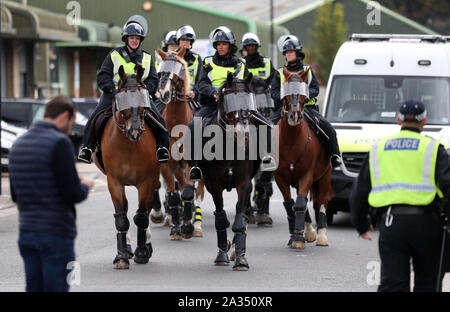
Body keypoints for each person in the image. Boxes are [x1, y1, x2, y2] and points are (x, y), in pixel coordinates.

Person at [350, 100, 450, 292]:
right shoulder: (433, 148)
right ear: (424, 122)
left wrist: (361, 224)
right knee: (428, 283)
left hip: (391, 224)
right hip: (428, 225)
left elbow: (359, 191)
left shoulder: (379, 148)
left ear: (398, 120)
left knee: (393, 284)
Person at [9, 96, 94, 292]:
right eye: (72, 122)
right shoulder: (59, 143)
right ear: (65, 116)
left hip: (27, 234)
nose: (71, 129)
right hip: (55, 234)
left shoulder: (18, 144)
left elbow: (16, 195)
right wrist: (86, 185)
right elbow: (72, 193)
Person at [78, 15, 170, 163]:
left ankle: (162, 148)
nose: (134, 41)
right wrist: (112, 90)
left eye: (137, 38)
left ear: (140, 40)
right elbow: (103, 76)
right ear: (126, 39)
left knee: (158, 118)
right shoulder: (114, 55)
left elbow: (153, 79)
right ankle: (87, 148)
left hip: (140, 95)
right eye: (132, 38)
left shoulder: (147, 58)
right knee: (95, 117)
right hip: (115, 94)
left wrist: (146, 90)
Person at [187, 26, 274, 181]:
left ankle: (266, 157)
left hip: (238, 106)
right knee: (193, 125)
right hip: (213, 105)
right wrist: (213, 93)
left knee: (265, 124)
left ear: (230, 46)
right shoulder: (207, 63)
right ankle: (194, 166)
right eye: (218, 44)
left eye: (224, 44)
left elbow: (248, 83)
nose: (220, 46)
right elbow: (202, 84)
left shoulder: (241, 63)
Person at [271, 35, 342, 168]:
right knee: (268, 128)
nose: (288, 54)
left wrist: (305, 97)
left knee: (328, 128)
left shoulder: (307, 71)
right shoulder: (279, 73)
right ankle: (267, 158)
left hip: (307, 108)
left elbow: (315, 88)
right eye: (286, 53)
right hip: (285, 109)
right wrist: (283, 98)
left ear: (297, 53)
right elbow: (273, 92)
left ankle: (334, 156)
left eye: (291, 52)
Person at [241, 32, 277, 226]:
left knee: (271, 144)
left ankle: (263, 208)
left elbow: (275, 84)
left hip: (265, 107)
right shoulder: (241, 64)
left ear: (258, 46)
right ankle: (246, 207)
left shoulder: (267, 63)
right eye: (248, 46)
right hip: (248, 108)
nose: (251, 49)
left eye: (254, 45)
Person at [176, 25, 202, 102]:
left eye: (188, 40)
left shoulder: (197, 58)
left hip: (191, 96)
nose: (185, 42)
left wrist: (195, 92)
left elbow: (200, 79)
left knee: (201, 114)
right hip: (173, 95)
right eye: (183, 40)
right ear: (178, 41)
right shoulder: (171, 56)